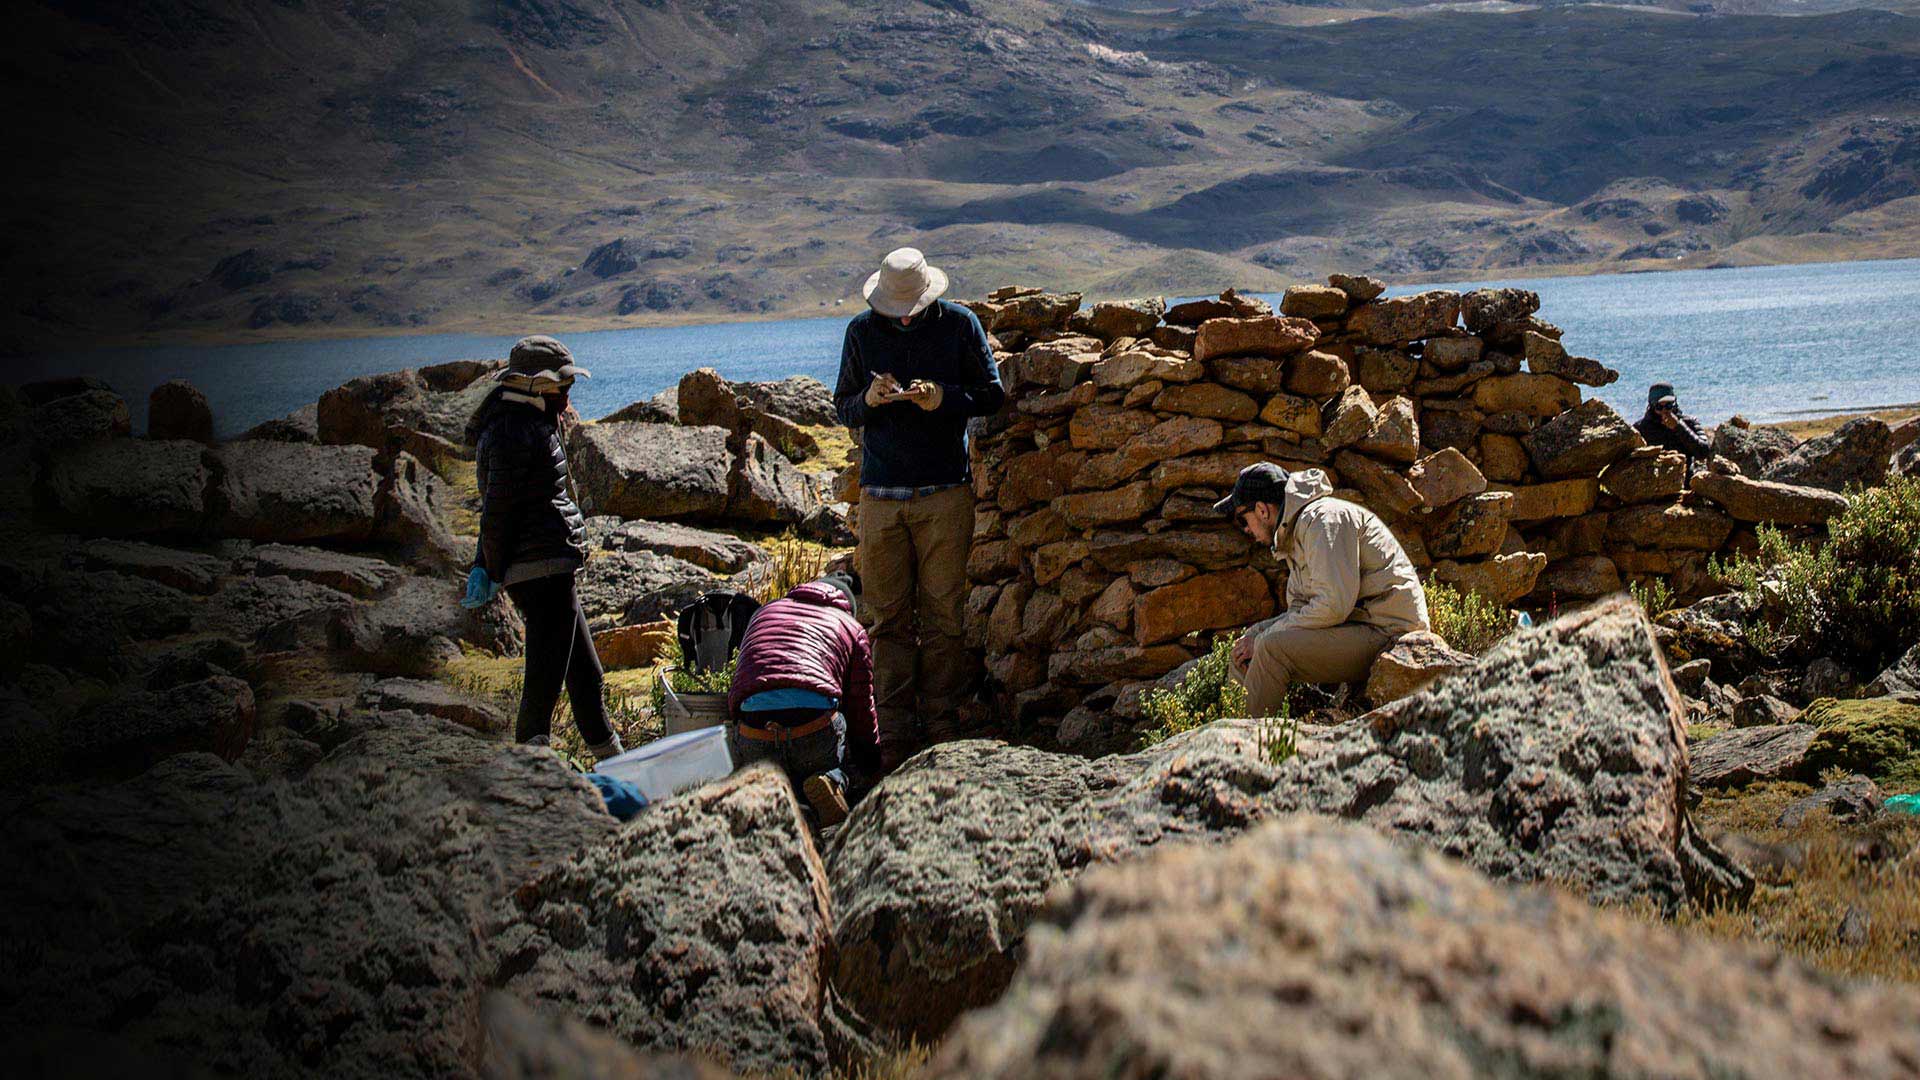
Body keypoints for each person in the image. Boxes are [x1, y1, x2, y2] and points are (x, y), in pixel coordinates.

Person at [833, 247, 1006, 770]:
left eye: (911, 309)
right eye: (896, 311)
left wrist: (943, 398)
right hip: (881, 498)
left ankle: (942, 724)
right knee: (886, 619)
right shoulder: (861, 332)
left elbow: (991, 395)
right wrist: (870, 400)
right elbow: (843, 407)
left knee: (943, 616)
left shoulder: (960, 325)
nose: (904, 319)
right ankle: (893, 735)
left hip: (945, 493)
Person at [461, 335, 623, 761]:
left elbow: (498, 506)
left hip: (552, 569)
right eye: (562, 386)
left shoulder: (526, 421)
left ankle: (622, 772)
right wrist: (488, 567)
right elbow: (498, 509)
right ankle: (531, 780)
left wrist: (486, 564)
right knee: (542, 691)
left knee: (586, 678)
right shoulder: (513, 430)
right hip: (541, 573)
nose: (567, 396)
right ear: (535, 385)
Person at [1217, 462, 1429, 718]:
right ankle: (1232, 728)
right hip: (1359, 626)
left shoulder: (1323, 520)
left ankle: (1248, 739)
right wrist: (1257, 634)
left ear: (1262, 510)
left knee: (1271, 648)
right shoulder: (1294, 534)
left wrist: (1264, 639)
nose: (1246, 529)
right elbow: (1301, 611)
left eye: (1242, 519)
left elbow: (1333, 606)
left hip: (1391, 633)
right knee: (1246, 648)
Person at [726, 572, 879, 827]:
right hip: (812, 731)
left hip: (755, 732)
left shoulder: (764, 613)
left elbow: (741, 680)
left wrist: (740, 729)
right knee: (838, 731)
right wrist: (870, 764)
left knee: (773, 776)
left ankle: (770, 797)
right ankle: (831, 779)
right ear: (847, 606)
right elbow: (861, 706)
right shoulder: (851, 627)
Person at [1635, 382, 1713, 471]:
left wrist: (1679, 427)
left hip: (1685, 476)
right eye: (1659, 407)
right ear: (1652, 407)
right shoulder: (1641, 428)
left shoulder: (1689, 423)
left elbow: (1703, 452)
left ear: (1674, 404)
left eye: (1668, 406)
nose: (1664, 411)